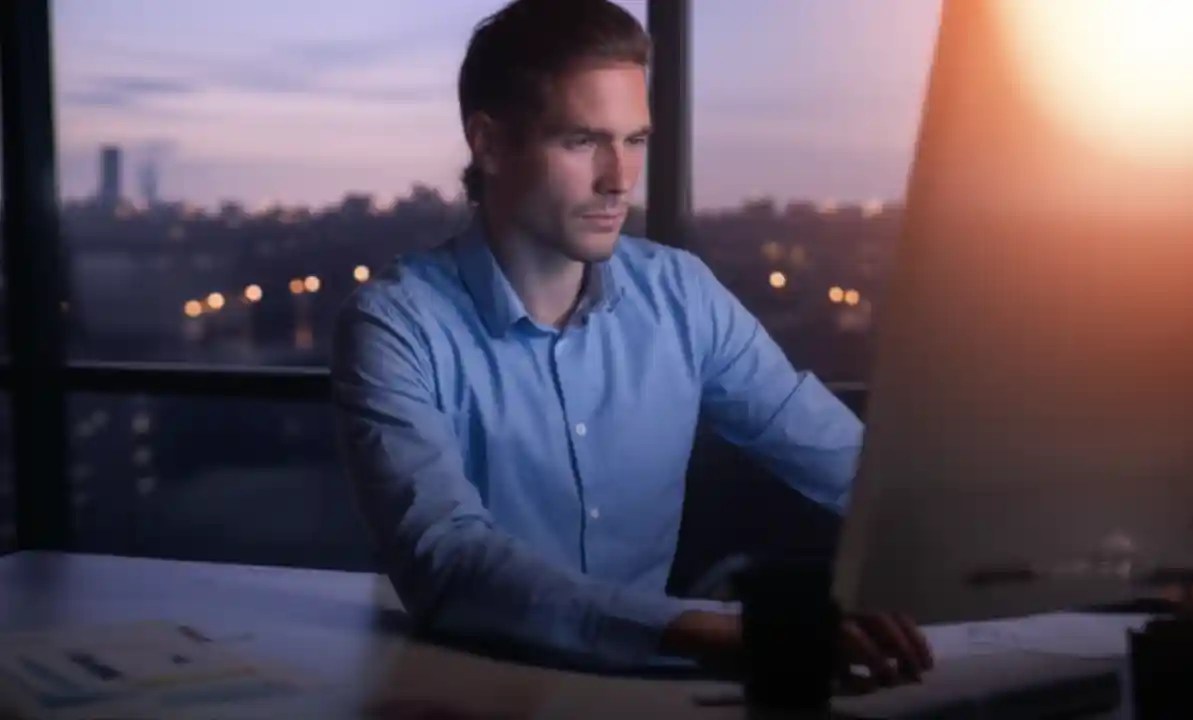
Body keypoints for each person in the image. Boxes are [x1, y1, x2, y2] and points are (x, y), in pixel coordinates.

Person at [331, 0, 932, 687]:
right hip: (468, 693)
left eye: (636, 140)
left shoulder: (681, 294)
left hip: (644, 692)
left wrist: (993, 557)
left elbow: (833, 454)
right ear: (490, 145)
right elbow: (449, 561)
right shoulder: (395, 326)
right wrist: (727, 635)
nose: (619, 179)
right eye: (582, 141)